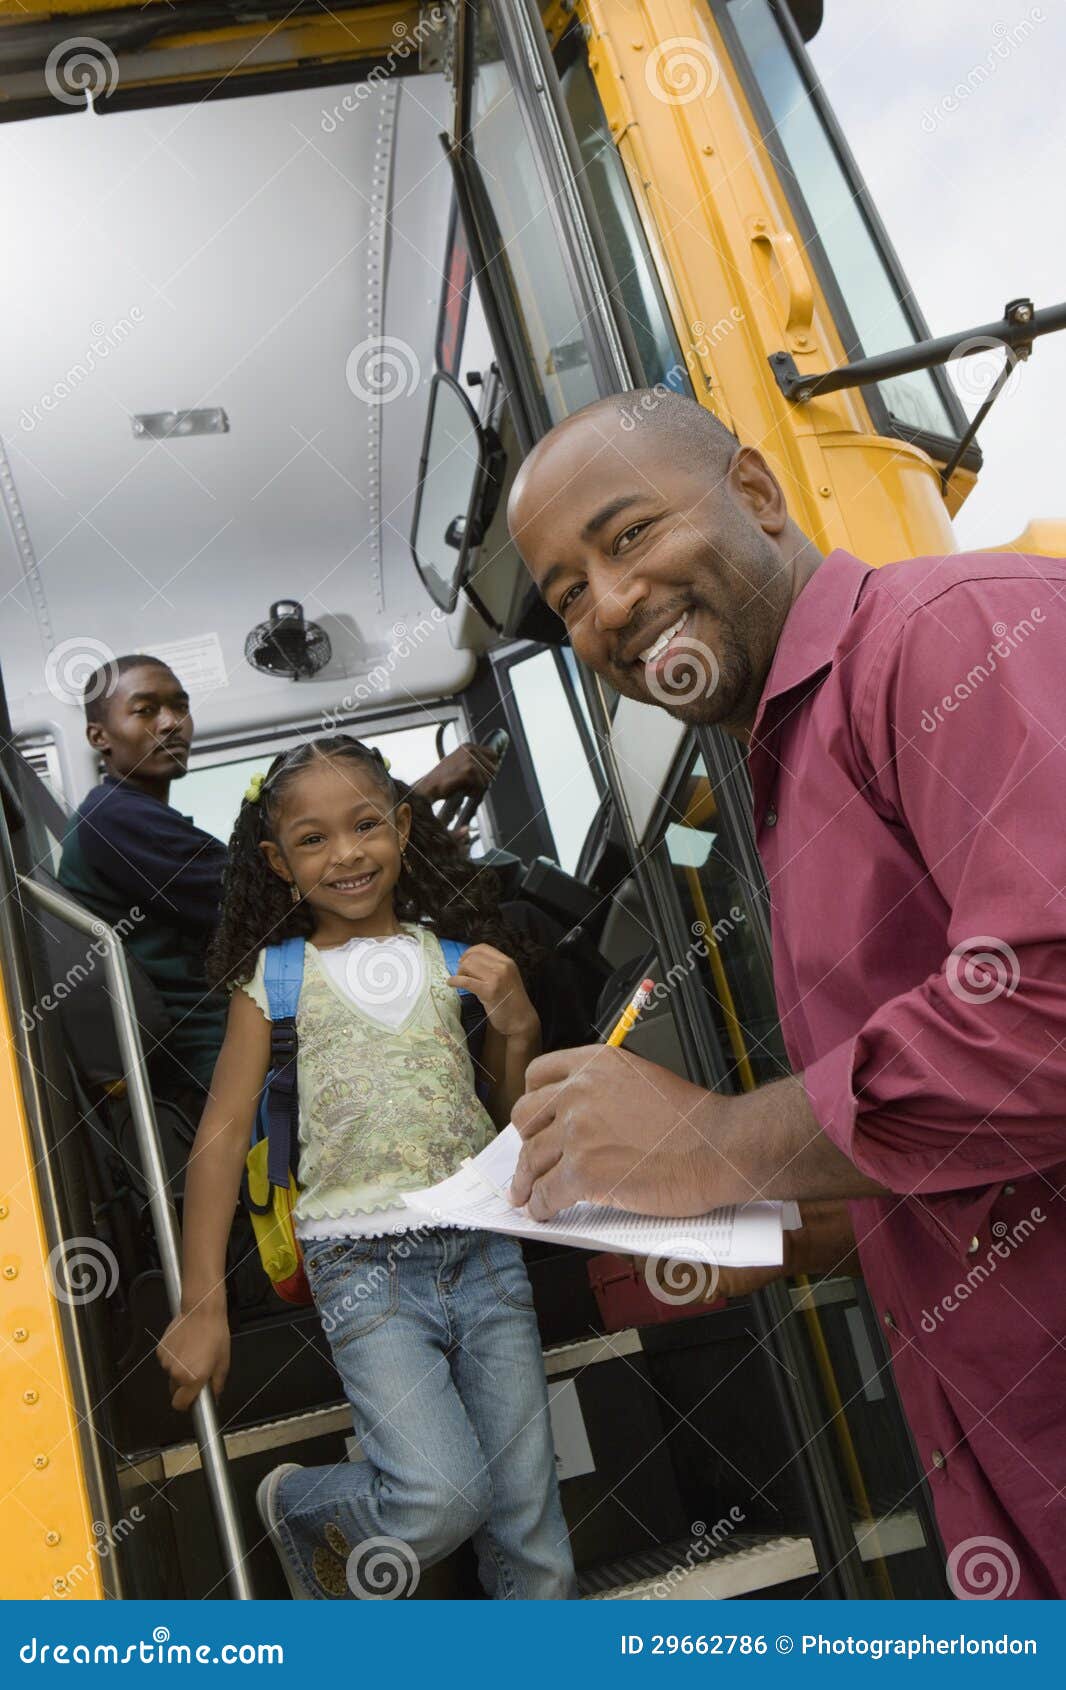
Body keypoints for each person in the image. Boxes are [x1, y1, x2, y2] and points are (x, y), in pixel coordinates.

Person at [504, 389, 1066, 1598]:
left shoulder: (947, 630)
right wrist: (778, 1216)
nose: (604, 606)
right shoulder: (779, 775)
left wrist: (720, 1142)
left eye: (628, 535)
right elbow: (965, 1136)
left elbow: (1048, 1008)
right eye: (564, 595)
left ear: (754, 494)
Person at [156, 735, 575, 1601]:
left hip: (486, 1252)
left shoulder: (454, 958)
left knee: (530, 1523)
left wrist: (518, 1025)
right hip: (361, 1268)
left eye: (366, 826)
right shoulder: (270, 981)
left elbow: (503, 1118)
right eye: (312, 840)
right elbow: (221, 1137)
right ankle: (306, 1506)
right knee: (438, 1498)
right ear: (277, 862)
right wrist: (201, 1305)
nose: (346, 854)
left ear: (404, 827)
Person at [58, 652, 502, 1113]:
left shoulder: (130, 814)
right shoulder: (113, 819)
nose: (172, 723)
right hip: (210, 1045)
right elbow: (262, 894)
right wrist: (420, 791)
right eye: (145, 709)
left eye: (180, 706)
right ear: (99, 736)